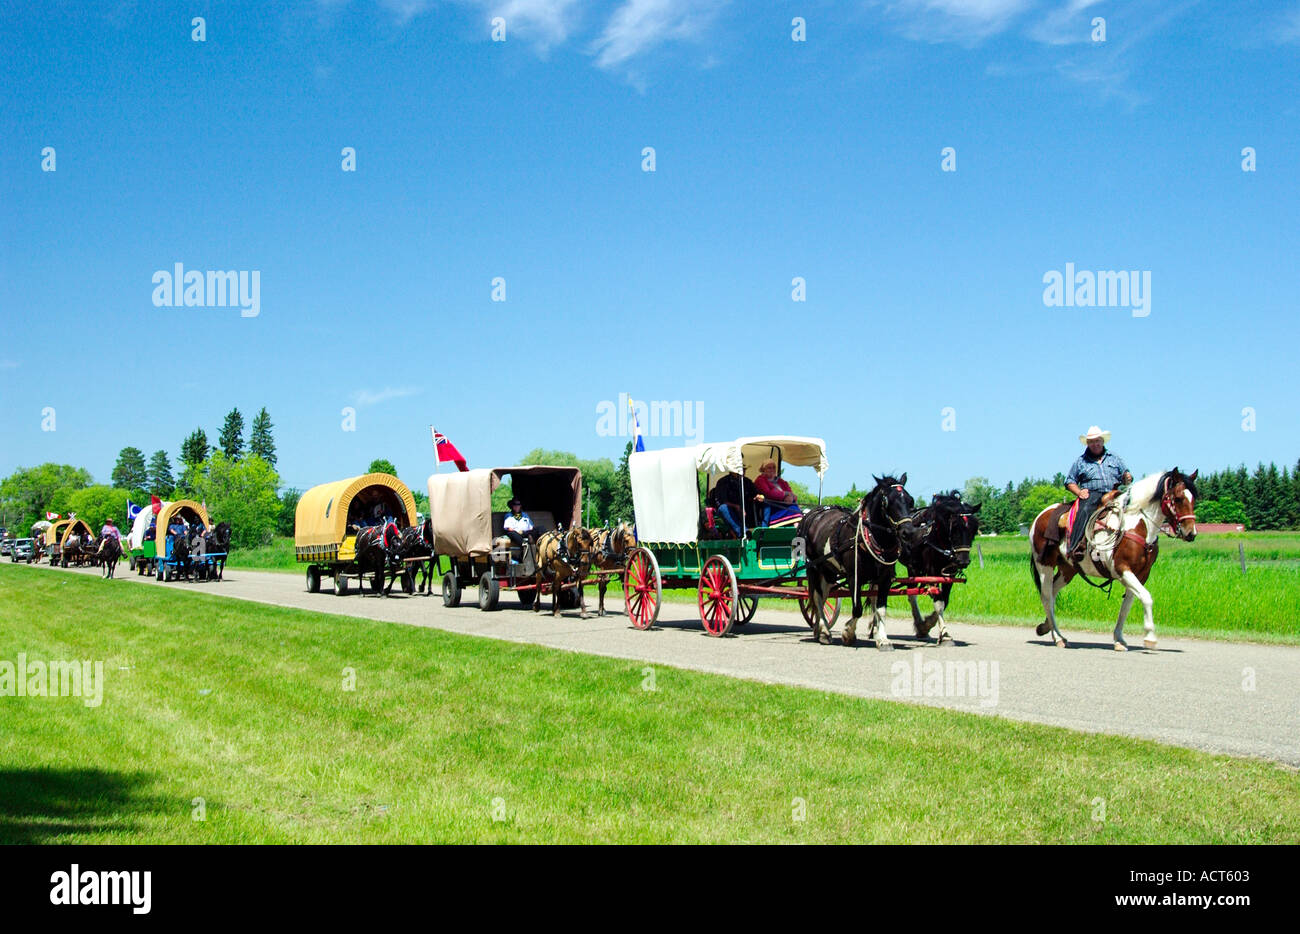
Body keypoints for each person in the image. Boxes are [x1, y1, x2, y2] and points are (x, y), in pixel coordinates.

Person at [1065, 425, 1133, 562]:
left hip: (1114, 492)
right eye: (1091, 442)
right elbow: (1069, 481)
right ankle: (1076, 546)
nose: (1095, 444)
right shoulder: (1080, 461)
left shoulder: (1114, 458)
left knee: (1135, 505)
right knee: (1084, 510)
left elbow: (1126, 475)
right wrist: (1079, 492)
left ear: (1102, 441)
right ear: (1087, 444)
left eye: (1097, 441)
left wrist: (1127, 477)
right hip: (1093, 494)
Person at [754, 459, 802, 527]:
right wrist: (785, 494)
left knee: (794, 507)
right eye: (769, 468)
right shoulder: (760, 480)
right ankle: (797, 530)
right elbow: (768, 494)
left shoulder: (780, 481)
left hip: (785, 504)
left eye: (774, 467)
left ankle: (797, 529)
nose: (772, 469)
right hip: (772, 506)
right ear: (763, 470)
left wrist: (790, 497)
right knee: (793, 509)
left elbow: (792, 493)